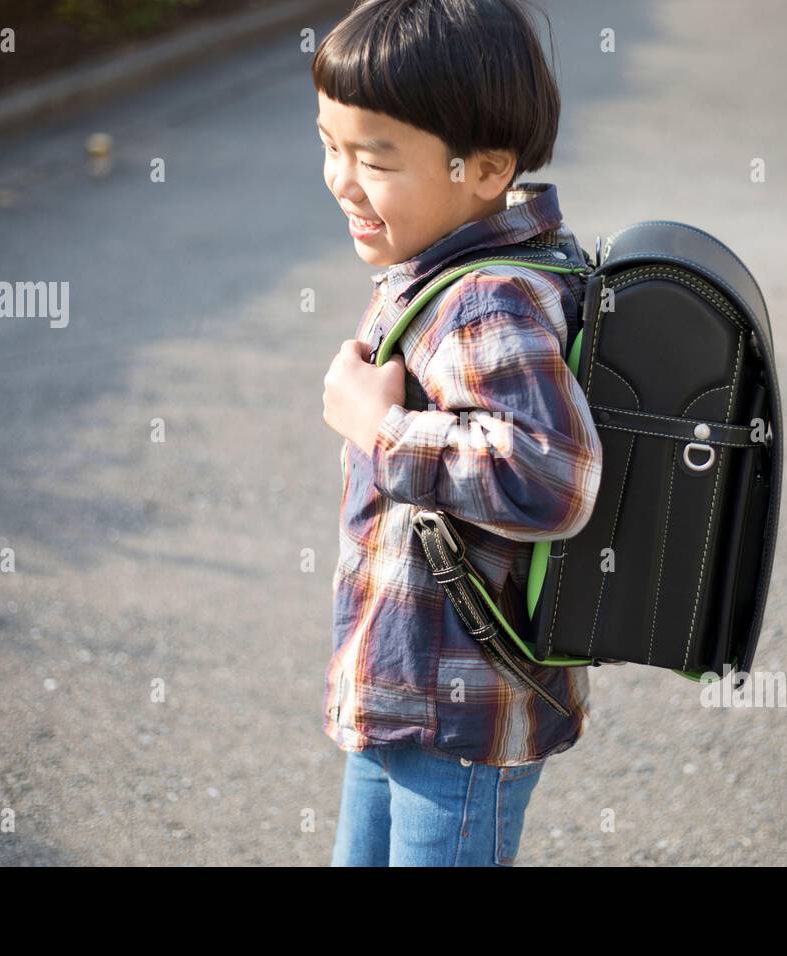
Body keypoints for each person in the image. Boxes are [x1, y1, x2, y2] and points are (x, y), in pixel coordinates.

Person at [314, 0, 602, 866]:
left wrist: (380, 428)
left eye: (375, 159)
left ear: (485, 169)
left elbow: (550, 477)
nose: (342, 180)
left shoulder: (487, 298)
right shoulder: (442, 266)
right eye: (330, 145)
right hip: (407, 695)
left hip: (460, 715)